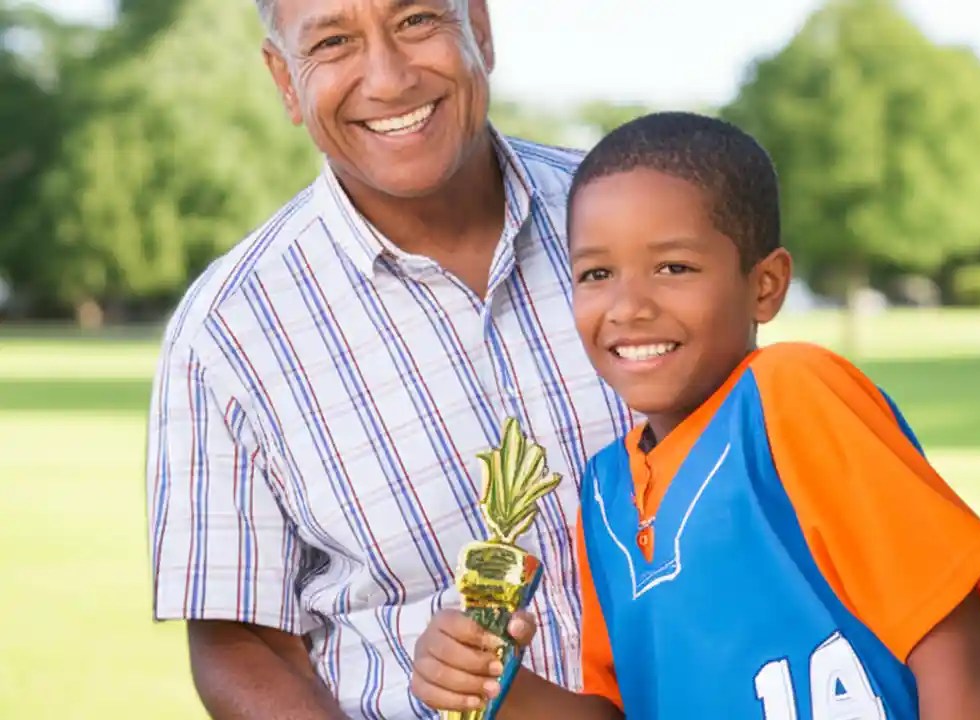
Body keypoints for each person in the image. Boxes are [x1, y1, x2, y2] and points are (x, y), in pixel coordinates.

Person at [412, 112, 980, 719]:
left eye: (673, 267)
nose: (629, 306)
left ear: (765, 285)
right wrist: (496, 686)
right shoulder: (604, 494)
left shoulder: (794, 395)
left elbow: (954, 649)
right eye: (596, 273)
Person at [144, 0, 632, 717]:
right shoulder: (226, 335)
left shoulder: (633, 215)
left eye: (416, 22)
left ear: (481, 29)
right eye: (335, 41)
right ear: (285, 80)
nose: (389, 76)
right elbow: (241, 643)